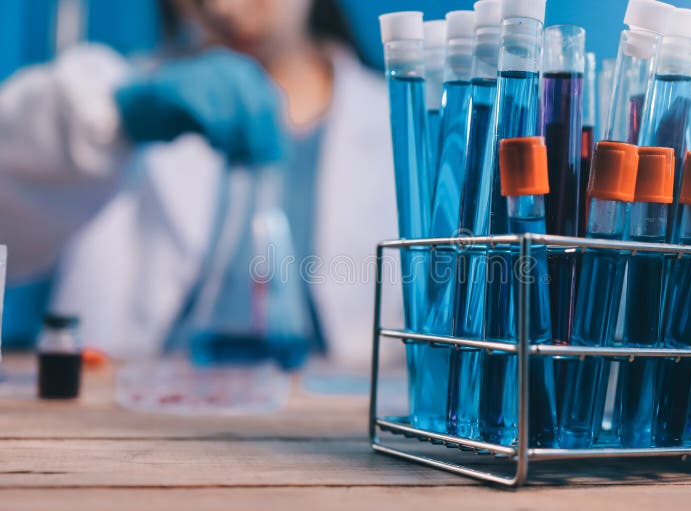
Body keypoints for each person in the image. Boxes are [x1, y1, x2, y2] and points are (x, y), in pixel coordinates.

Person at [0, 0, 402, 370]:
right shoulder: (121, 101)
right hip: (138, 422)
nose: (221, 8)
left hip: (321, 432)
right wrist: (121, 118)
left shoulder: (400, 124)